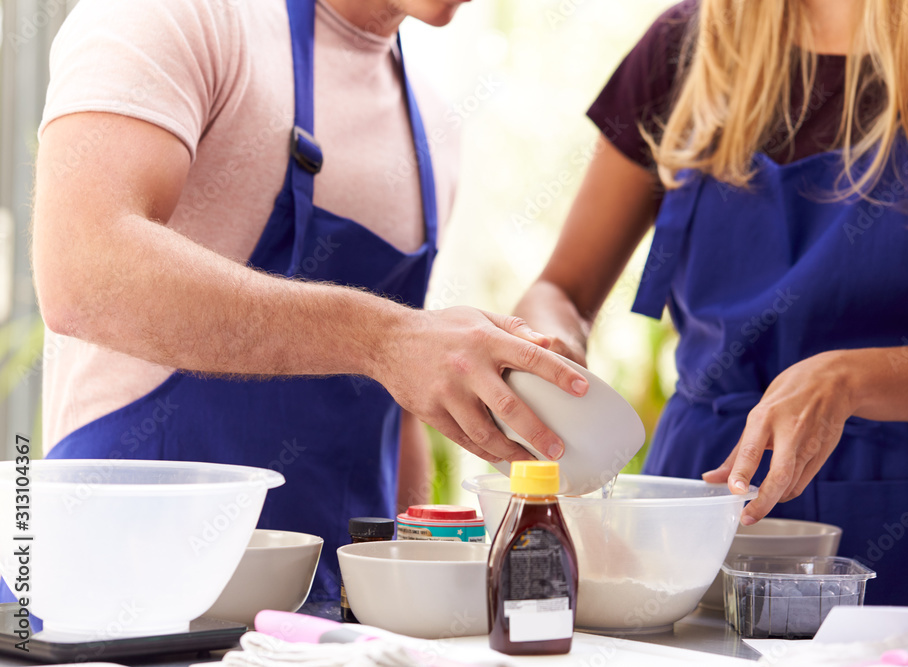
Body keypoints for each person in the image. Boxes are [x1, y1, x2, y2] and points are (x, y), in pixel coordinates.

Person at [30, 0, 589, 603]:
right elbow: (81, 272)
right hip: (125, 593)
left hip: (331, 623)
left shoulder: (433, 123)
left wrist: (413, 595)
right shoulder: (177, 15)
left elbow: (394, 406)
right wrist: (385, 338)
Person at [515, 0, 908, 609]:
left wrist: (847, 381)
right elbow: (562, 290)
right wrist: (549, 352)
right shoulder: (691, 41)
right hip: (698, 504)